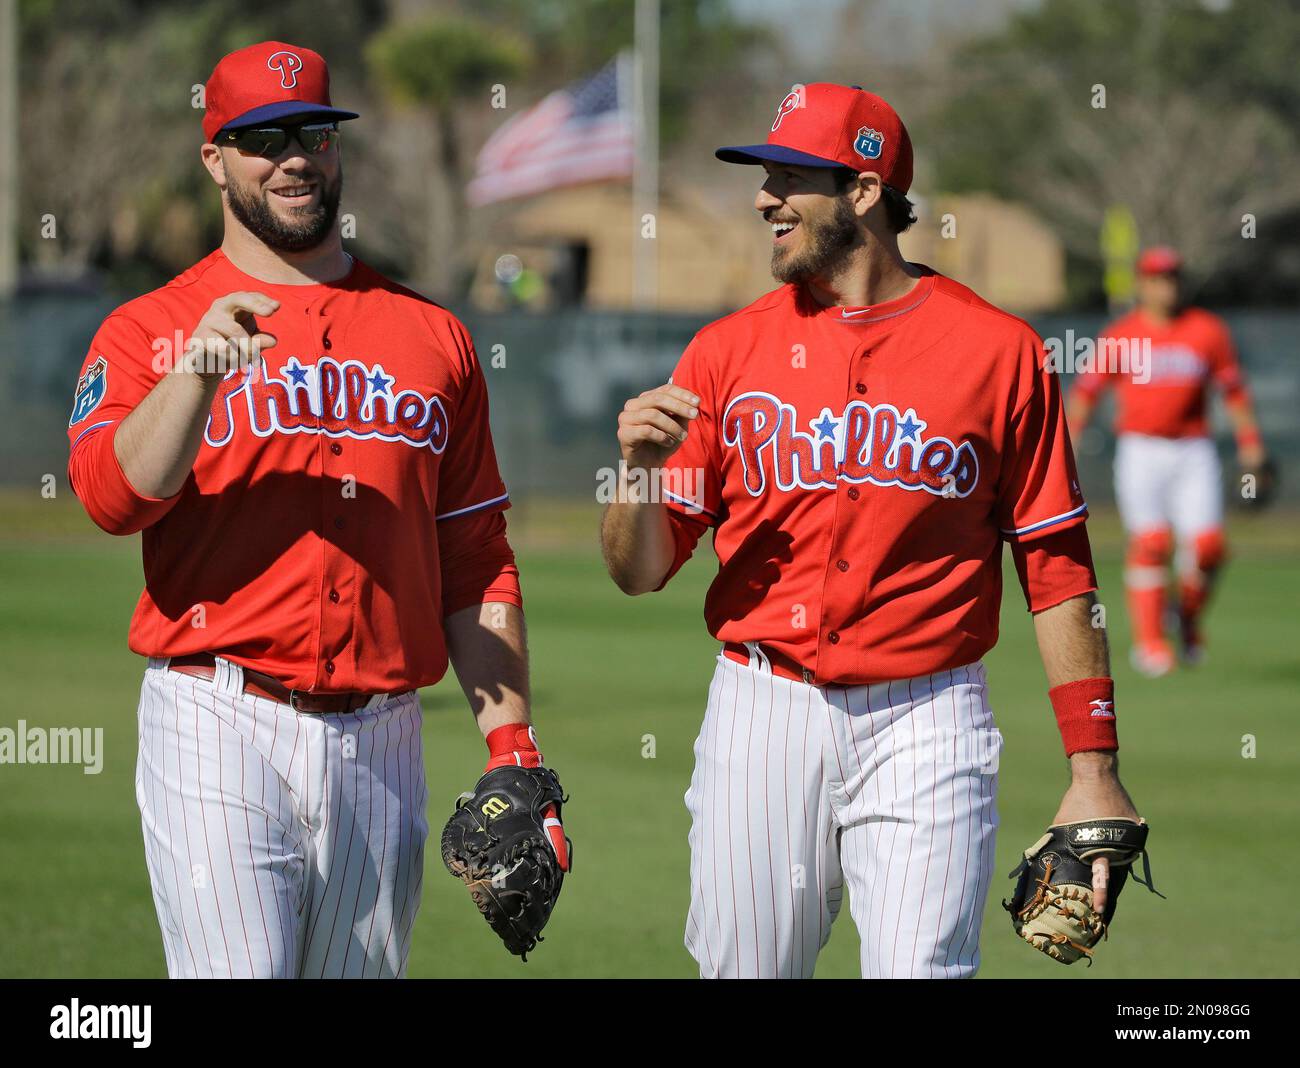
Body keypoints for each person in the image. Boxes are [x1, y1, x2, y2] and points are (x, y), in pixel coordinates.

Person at [600, 83, 1142, 978]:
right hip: (761, 707)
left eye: (789, 176)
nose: (765, 197)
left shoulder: (1000, 352)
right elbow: (639, 573)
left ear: (862, 190)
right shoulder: (724, 351)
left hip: (928, 715)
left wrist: (1094, 768)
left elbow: (1057, 570)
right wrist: (637, 477)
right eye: (764, 174)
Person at [65, 40, 565, 978]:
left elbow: (476, 555)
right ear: (214, 158)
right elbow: (109, 497)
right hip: (219, 716)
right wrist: (195, 380)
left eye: (313, 133)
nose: (293, 156)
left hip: (385, 733)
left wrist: (513, 745)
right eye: (261, 138)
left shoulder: (432, 335)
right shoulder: (150, 329)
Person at [1067, 247, 1268, 675]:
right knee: (1152, 543)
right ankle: (1150, 642)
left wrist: (1252, 445)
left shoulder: (1207, 331)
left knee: (1210, 547)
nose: (1166, 286)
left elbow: (1234, 391)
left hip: (1194, 449)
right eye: (1157, 278)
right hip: (1142, 450)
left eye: (1173, 277)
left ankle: (1187, 617)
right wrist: (1068, 445)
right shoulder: (1122, 335)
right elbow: (1086, 393)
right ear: (1142, 283)